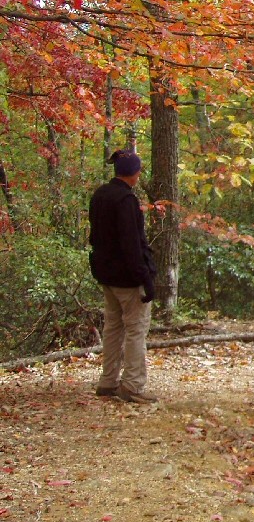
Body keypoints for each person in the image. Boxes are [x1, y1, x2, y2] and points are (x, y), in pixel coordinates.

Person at [89, 149, 159, 404]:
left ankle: (108, 381)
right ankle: (132, 385)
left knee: (113, 328)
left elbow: (95, 237)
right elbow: (132, 244)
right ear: (134, 173)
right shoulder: (125, 201)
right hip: (127, 278)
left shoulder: (100, 195)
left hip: (107, 275)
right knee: (135, 329)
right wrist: (145, 277)